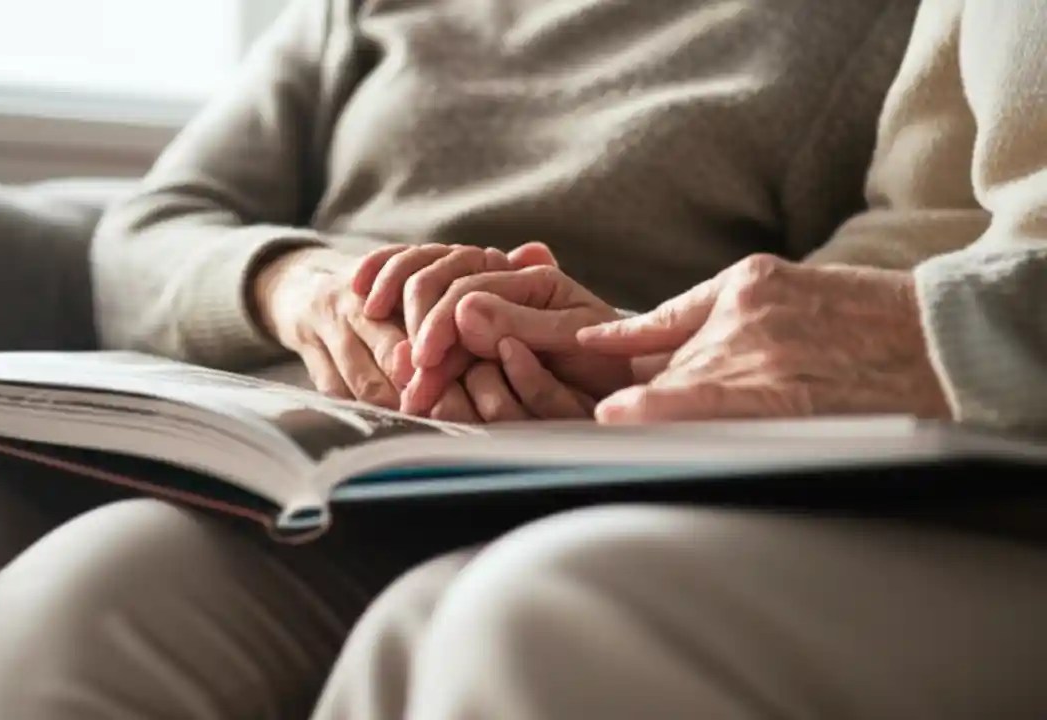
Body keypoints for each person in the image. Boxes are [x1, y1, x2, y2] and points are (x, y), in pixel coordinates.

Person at [0, 1, 967, 718]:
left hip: (529, 465)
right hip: (241, 421)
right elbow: (146, 227)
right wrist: (299, 284)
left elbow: (840, 315)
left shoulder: (870, 30)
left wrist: (578, 345)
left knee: (94, 600)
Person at [309, 1, 1047, 717]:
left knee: (546, 623)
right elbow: (932, 223)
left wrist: (942, 330)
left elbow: (927, 305)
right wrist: (654, 358)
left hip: (1002, 461)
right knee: (412, 624)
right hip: (981, 449)